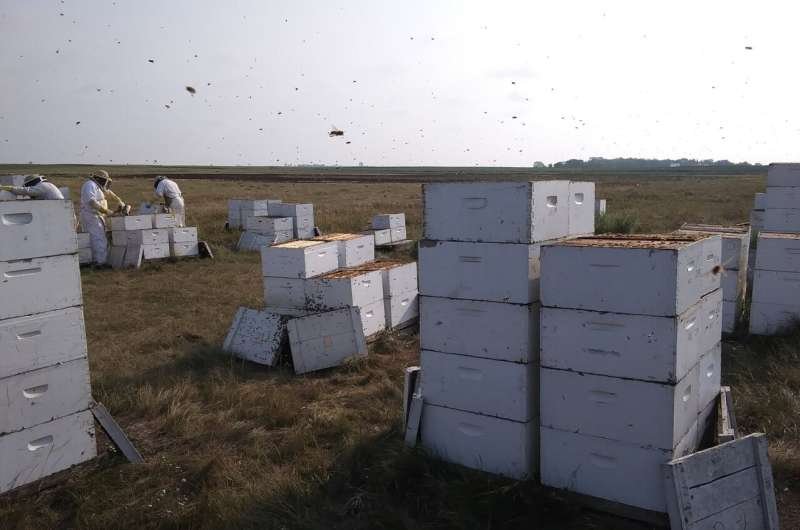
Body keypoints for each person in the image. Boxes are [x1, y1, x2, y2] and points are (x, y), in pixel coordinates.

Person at [79, 170, 126, 267]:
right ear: (99, 179)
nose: (106, 183)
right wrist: (106, 211)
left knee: (99, 238)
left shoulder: (97, 186)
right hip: (91, 216)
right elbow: (91, 202)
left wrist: (119, 200)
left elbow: (109, 193)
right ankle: (100, 263)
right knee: (98, 239)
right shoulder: (89, 184)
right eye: (105, 180)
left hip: (97, 216)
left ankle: (98, 260)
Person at [0, 174, 64, 199]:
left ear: (32, 182)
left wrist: (10, 188)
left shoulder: (42, 186)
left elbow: (26, 191)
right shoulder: (47, 184)